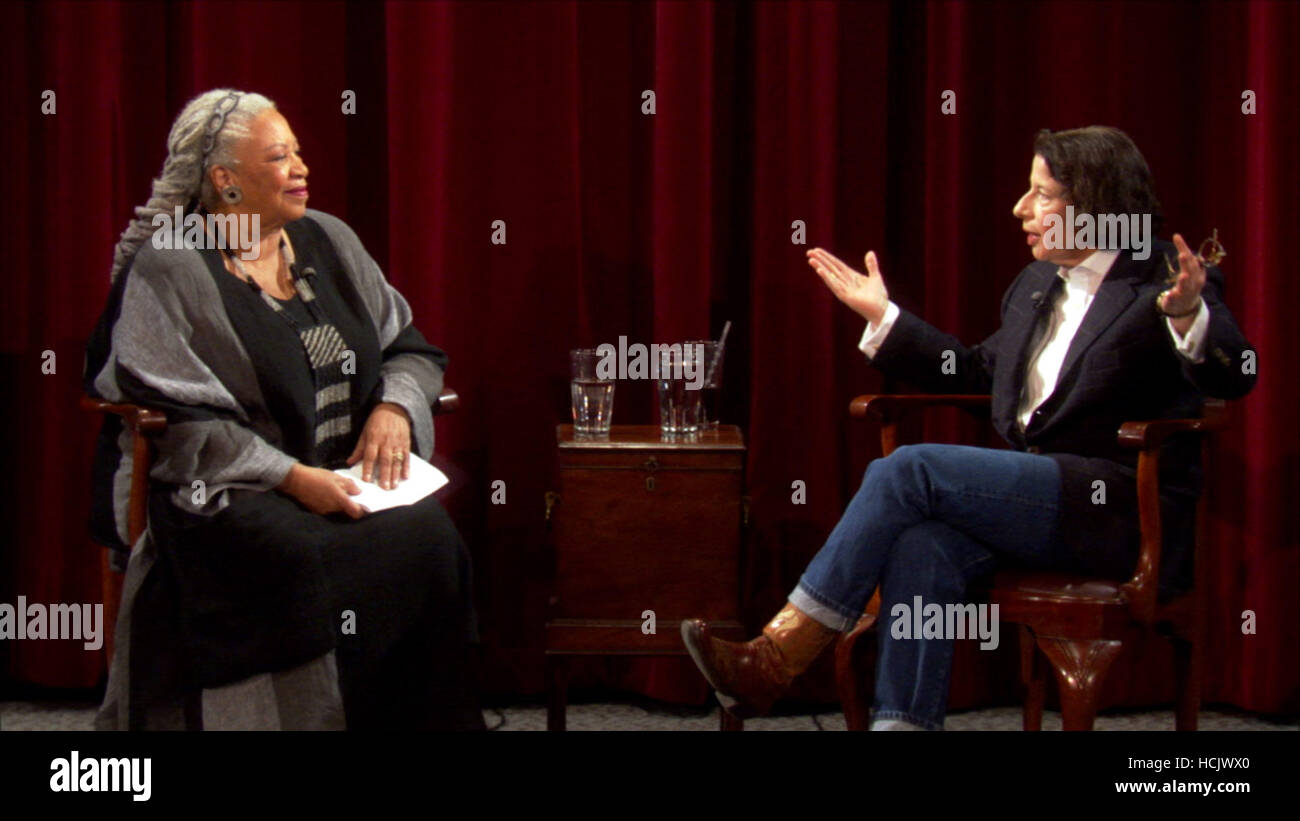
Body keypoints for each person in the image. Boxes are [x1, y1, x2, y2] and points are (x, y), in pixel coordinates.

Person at [681, 126, 1257, 730]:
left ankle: (779, 656)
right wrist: (887, 319)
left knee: (910, 469)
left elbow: (1236, 375)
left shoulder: (1164, 275)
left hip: (1114, 511)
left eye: (1043, 195)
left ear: (1096, 206)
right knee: (919, 544)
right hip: (1035, 504)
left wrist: (1190, 315)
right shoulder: (1036, 285)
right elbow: (979, 370)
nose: (1020, 208)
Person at [87, 89, 483, 730]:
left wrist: (394, 411)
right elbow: (184, 422)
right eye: (278, 157)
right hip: (227, 492)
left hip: (343, 477)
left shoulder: (328, 239)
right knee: (303, 554)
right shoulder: (174, 267)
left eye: (297, 151)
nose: (301, 168)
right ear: (225, 180)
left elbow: (408, 348)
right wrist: (294, 480)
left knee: (430, 538)